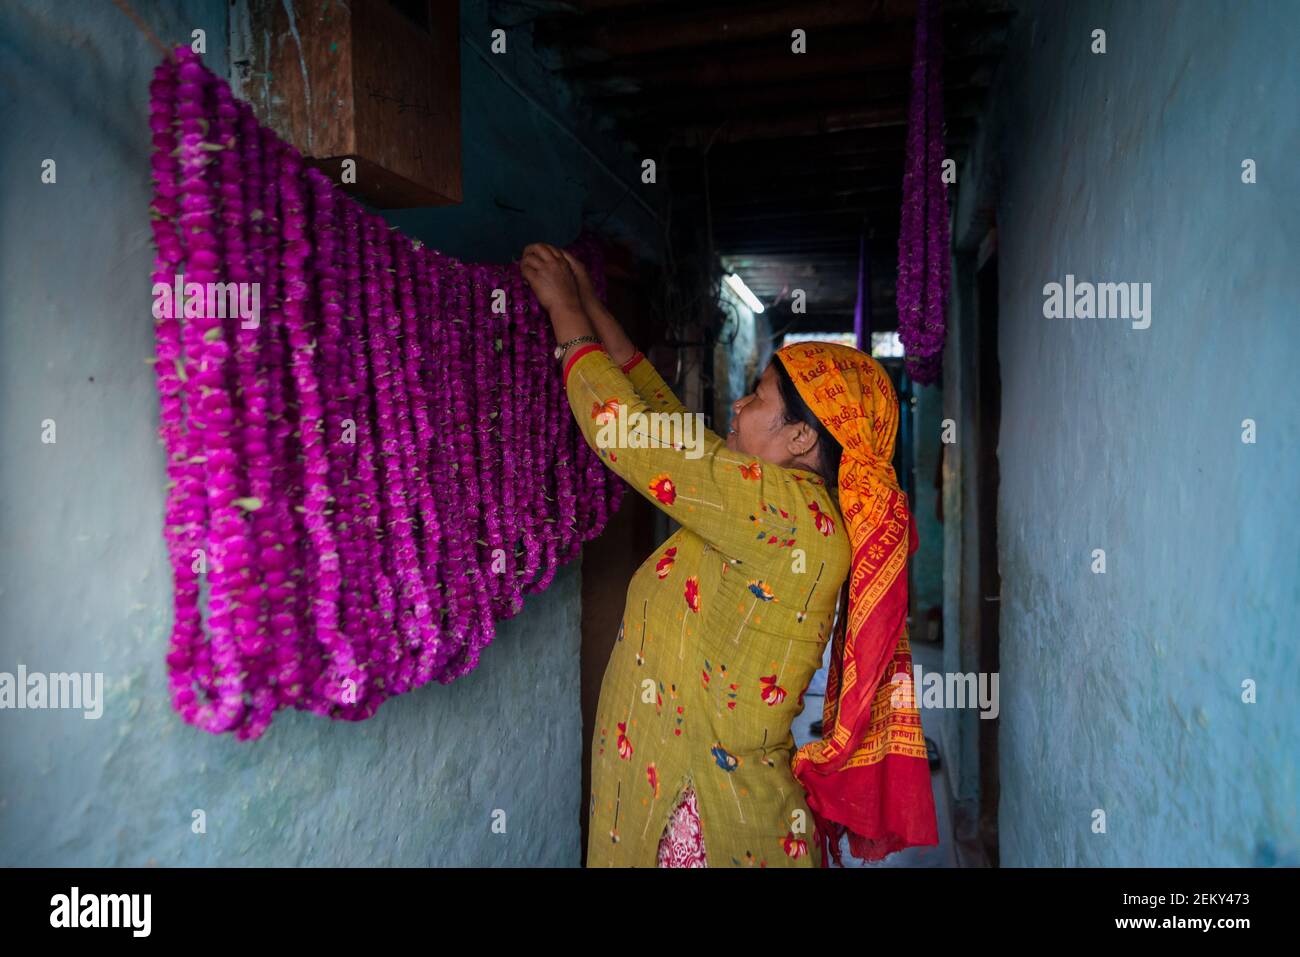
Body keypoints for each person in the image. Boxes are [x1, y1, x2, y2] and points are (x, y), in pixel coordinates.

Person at [520, 242, 939, 867]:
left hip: (702, 815)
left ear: (801, 436)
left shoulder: (780, 511)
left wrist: (563, 319)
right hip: (715, 800)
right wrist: (590, 308)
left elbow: (630, 437)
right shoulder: (786, 504)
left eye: (758, 398)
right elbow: (667, 424)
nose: (738, 406)